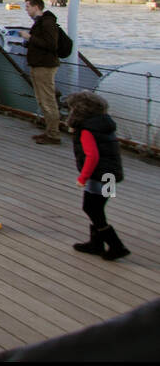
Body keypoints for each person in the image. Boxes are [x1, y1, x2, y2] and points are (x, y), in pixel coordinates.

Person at [65, 91, 129, 260]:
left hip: (99, 175)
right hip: (111, 175)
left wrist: (82, 178)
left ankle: (116, 246)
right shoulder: (103, 124)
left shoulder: (86, 129)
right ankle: (96, 244)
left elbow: (92, 156)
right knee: (97, 208)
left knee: (92, 209)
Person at [22, 0, 63, 144]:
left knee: (47, 100)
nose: (26, 10)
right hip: (38, 64)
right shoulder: (40, 23)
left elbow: (51, 45)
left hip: (45, 66)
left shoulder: (47, 22)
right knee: (42, 100)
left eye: (27, 7)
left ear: (36, 7)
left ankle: (54, 134)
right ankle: (50, 131)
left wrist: (29, 37)